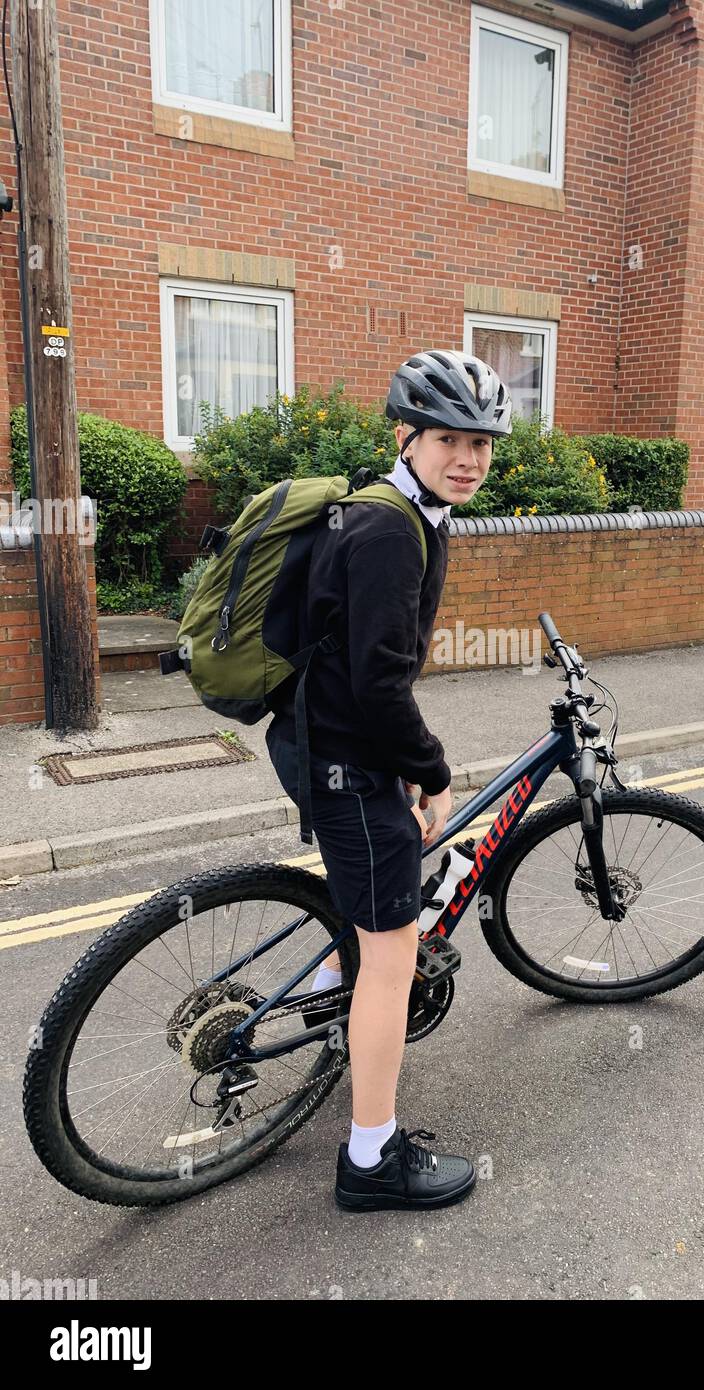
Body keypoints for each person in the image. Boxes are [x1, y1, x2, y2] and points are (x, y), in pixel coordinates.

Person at [264, 349, 513, 1211]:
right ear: (406, 435)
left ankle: (331, 1000)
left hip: (327, 740)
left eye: (481, 444)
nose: (469, 460)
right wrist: (429, 769)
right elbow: (378, 683)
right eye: (449, 438)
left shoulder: (399, 514)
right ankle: (370, 1160)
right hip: (344, 758)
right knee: (392, 957)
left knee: (370, 913)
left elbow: (370, 669)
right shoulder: (386, 533)